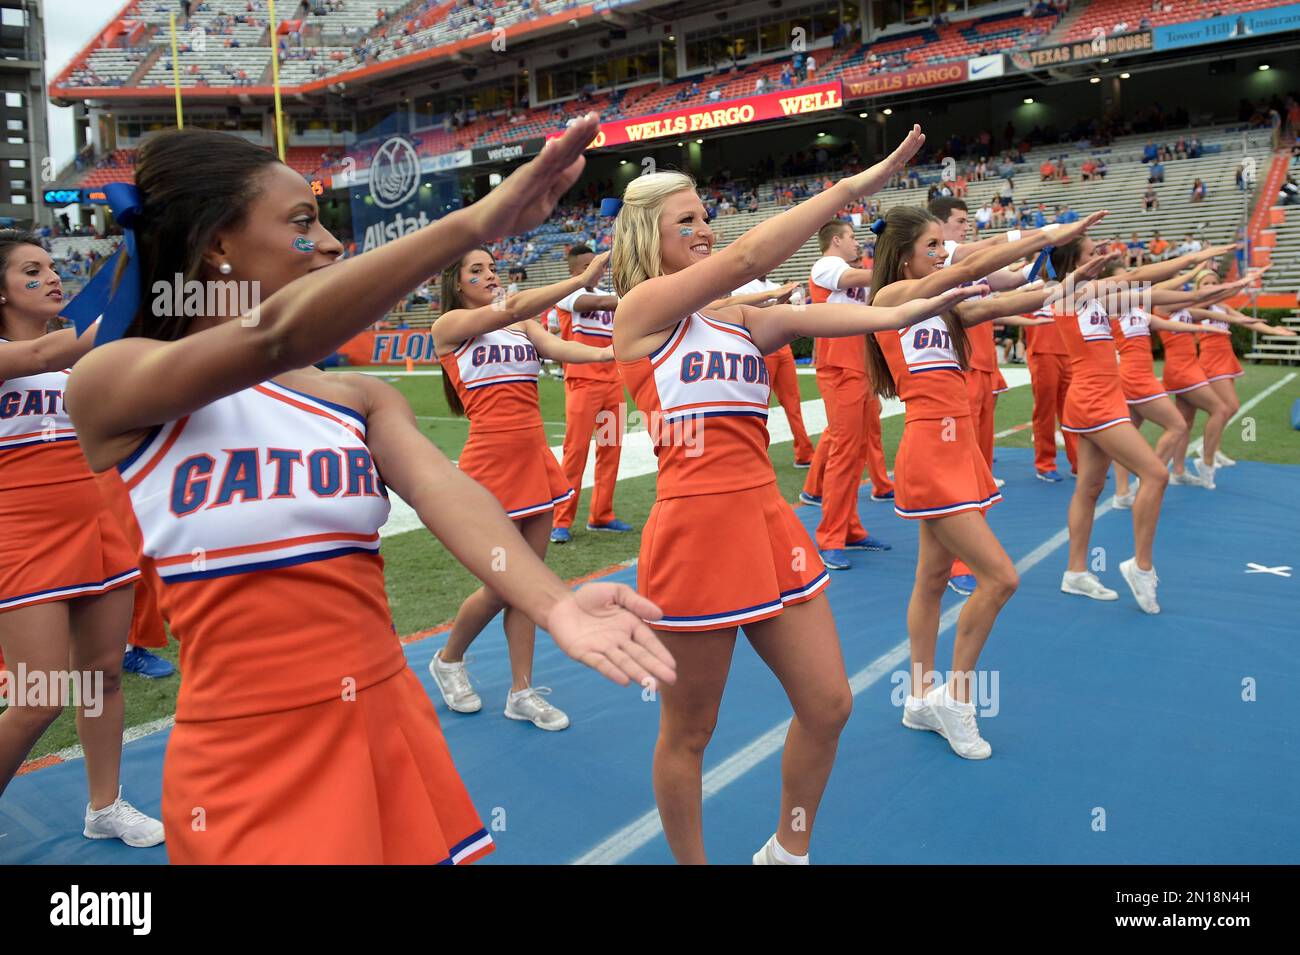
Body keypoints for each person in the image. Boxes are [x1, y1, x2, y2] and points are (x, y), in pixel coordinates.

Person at [63, 118, 676, 864]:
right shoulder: (114, 382)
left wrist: (554, 603)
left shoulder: (354, 395)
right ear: (219, 244)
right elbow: (269, 338)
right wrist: (474, 224)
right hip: (245, 756)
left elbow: (445, 488)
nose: (329, 243)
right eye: (302, 223)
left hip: (387, 719)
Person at [608, 126, 982, 864]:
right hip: (694, 533)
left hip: (770, 521)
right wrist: (853, 187)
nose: (705, 228)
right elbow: (750, 257)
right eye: (685, 219)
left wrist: (918, 301)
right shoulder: (641, 314)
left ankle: (787, 850)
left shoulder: (743, 317)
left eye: (704, 214)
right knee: (689, 732)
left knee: (829, 703)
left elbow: (862, 315)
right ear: (647, 236)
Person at [865, 205, 1102, 758]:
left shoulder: (943, 309)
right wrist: (1046, 235)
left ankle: (920, 696)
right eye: (932, 247)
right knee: (1001, 578)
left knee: (930, 580)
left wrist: (1065, 285)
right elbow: (961, 275)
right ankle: (958, 699)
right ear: (904, 258)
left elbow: (1001, 301)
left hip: (957, 448)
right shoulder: (890, 301)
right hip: (930, 452)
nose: (943, 255)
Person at [0, 232, 164, 848]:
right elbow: (41, 357)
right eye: (31, 271)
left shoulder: (78, 362)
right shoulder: (28, 354)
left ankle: (105, 805)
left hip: (97, 524)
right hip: (21, 534)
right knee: (38, 697)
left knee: (102, 676)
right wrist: (139, 255)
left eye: (50, 266)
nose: (49, 277)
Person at [430, 248, 622, 730]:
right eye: (477, 270)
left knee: (528, 588)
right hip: (489, 468)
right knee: (501, 587)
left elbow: (564, 349)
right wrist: (583, 278)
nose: (489, 276)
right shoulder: (450, 327)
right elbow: (514, 308)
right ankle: (449, 659)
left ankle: (522, 691)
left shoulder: (521, 328)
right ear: (456, 284)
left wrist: (610, 351)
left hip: (535, 462)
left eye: (492, 268)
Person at [798, 221, 893, 570]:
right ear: (836, 240)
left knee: (857, 452)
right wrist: (891, 263)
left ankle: (850, 528)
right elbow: (855, 280)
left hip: (860, 369)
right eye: (852, 237)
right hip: (840, 369)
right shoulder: (826, 265)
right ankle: (831, 536)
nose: (857, 243)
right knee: (843, 452)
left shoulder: (852, 269)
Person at [549, 244, 631, 545]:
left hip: (612, 382)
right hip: (583, 382)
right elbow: (599, 302)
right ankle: (561, 519)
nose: (594, 271)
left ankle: (601, 515)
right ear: (574, 271)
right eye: (587, 266)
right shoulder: (570, 295)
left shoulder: (604, 295)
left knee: (610, 450)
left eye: (595, 266)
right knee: (576, 452)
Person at [709, 276, 813, 468]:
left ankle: (805, 452)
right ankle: (753, 456)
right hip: (761, 349)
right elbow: (734, 307)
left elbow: (776, 312)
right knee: (757, 406)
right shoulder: (745, 286)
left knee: (793, 403)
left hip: (782, 348)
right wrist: (774, 297)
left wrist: (786, 301)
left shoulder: (773, 285)